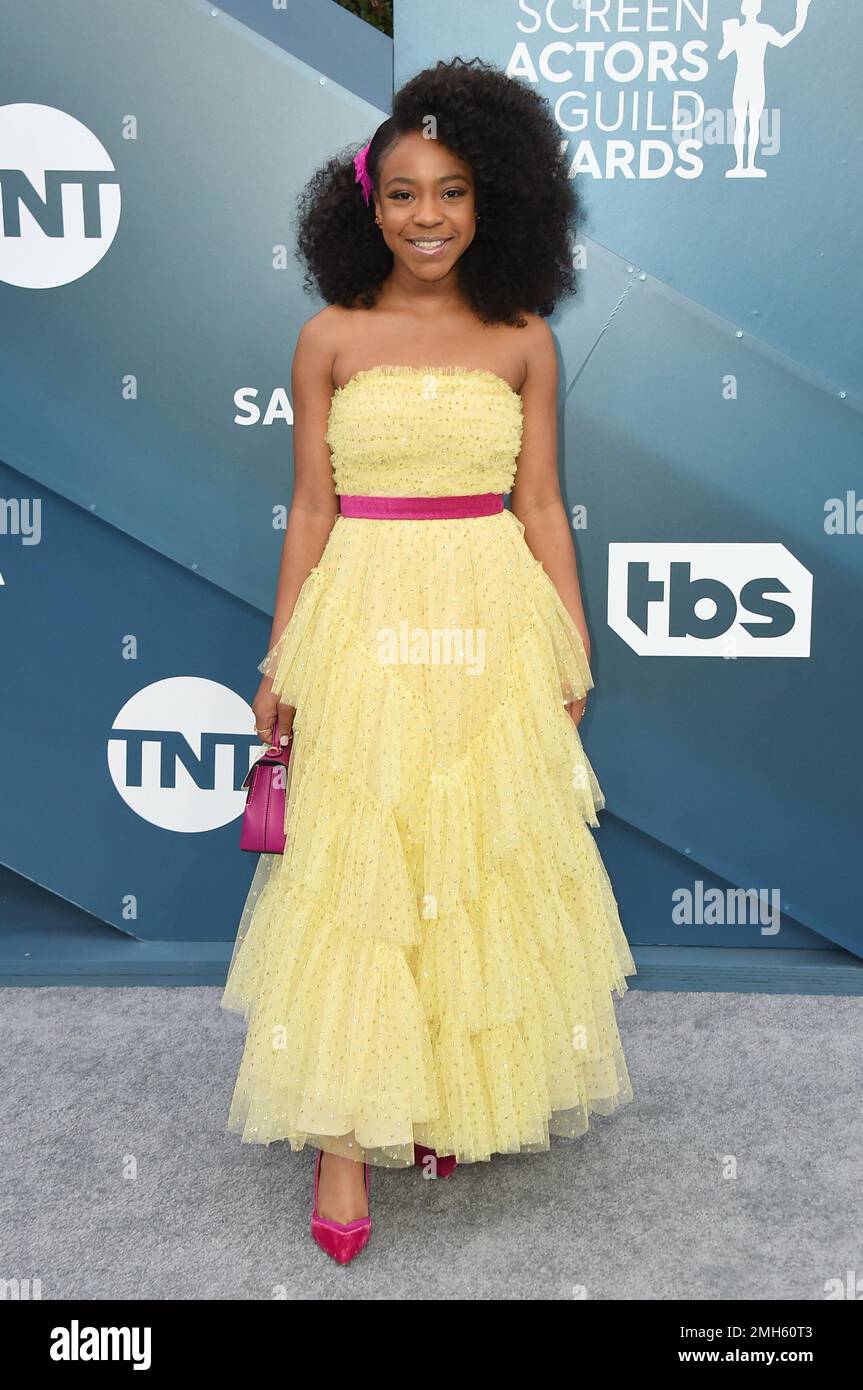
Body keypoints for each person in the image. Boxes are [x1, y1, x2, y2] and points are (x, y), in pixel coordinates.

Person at [221, 56, 636, 1265]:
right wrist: (278, 659)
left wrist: (574, 638)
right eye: (402, 194)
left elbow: (545, 507)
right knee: (357, 860)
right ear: (366, 205)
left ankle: (443, 1099)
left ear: (491, 201)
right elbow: (307, 511)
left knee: (471, 856)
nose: (426, 218)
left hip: (490, 615)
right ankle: (344, 1133)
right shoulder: (329, 337)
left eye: (450, 192)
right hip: (362, 611)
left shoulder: (524, 342)